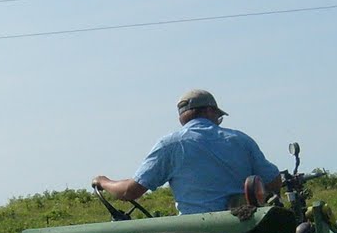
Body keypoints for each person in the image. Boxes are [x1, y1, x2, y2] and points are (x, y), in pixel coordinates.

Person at [93, 89, 283, 215]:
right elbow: (274, 182)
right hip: (243, 227)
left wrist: (103, 181)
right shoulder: (240, 140)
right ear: (210, 111)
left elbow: (129, 191)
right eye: (218, 116)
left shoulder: (170, 144)